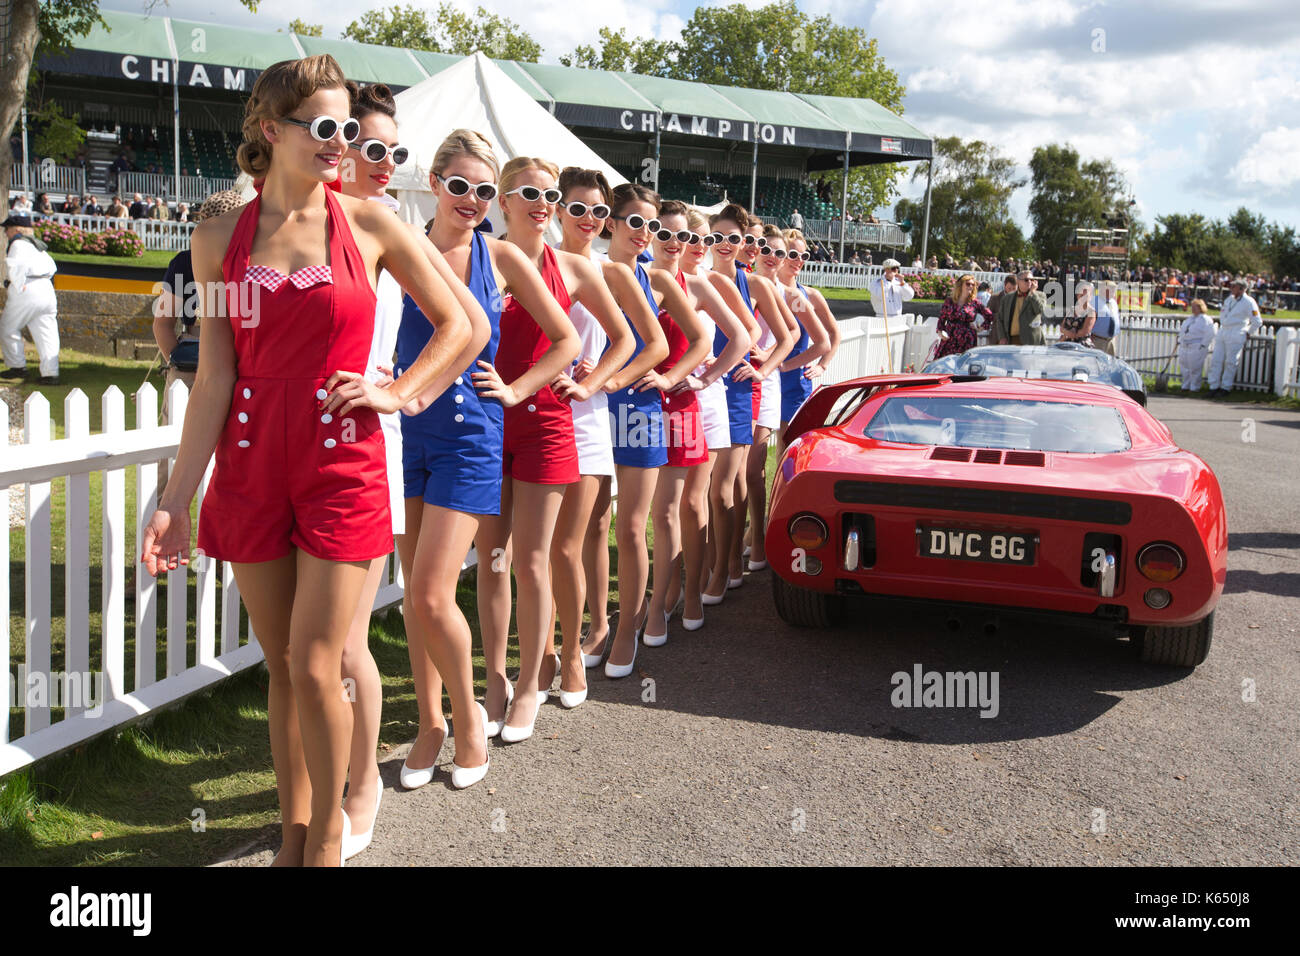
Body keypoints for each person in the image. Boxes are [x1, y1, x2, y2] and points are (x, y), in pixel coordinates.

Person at [140, 54, 474, 867]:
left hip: (341, 463)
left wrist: (398, 393)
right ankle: (293, 836)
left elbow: (461, 327)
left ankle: (326, 840)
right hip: (251, 462)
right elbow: (215, 377)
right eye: (324, 126)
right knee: (284, 664)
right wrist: (175, 499)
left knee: (322, 663)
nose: (341, 143)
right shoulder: (217, 237)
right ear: (271, 129)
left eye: (347, 128)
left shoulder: (372, 224)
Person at [470, 155, 586, 742]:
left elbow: (624, 338)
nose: (544, 204)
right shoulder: (478, 255)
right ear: (504, 200)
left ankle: (532, 684)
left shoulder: (570, 266)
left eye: (551, 195)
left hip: (544, 424)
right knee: (492, 558)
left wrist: (595, 380)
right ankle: (494, 682)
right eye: (531, 194)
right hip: (488, 423)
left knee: (533, 559)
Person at [542, 166, 642, 703]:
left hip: (583, 417)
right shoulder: (528, 258)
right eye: (578, 208)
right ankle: (544, 655)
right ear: (558, 208)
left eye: (599, 211)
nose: (589, 218)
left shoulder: (609, 271)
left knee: (573, 541)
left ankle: (580, 644)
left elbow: (647, 342)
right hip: (530, 414)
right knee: (531, 549)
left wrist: (601, 379)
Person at [635, 200, 712, 649]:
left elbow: (736, 336)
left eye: (683, 235)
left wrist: (691, 377)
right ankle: (660, 597)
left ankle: (676, 598)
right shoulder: (635, 277)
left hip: (679, 406)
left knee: (670, 510)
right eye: (664, 234)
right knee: (646, 514)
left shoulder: (694, 284)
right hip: (638, 405)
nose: (674, 243)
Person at [0, 213, 60, 384]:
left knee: (8, 327)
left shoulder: (18, 244)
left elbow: (15, 267)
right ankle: (50, 373)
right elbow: (52, 267)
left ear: (17, 230)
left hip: (27, 288)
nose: (6, 233)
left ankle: (17, 366)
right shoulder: (37, 246)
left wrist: (17, 285)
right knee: (46, 333)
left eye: (7, 229)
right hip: (46, 289)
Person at [1206, 278, 1262, 397]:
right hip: (1224, 330)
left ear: (1241, 289)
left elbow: (1257, 321)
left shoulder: (1249, 302)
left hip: (1237, 330)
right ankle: (1213, 386)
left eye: (1234, 286)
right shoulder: (1229, 300)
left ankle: (1225, 387)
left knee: (1231, 361)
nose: (1231, 288)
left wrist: (1248, 332)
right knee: (1216, 359)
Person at [934, 274, 993, 359]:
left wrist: (981, 328)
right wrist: (940, 332)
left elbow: (990, 316)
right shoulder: (949, 301)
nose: (971, 286)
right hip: (950, 338)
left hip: (967, 340)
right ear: (960, 285)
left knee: (964, 364)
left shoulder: (975, 303)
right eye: (968, 284)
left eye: (973, 285)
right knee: (946, 363)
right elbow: (941, 320)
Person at [994, 269, 1047, 345]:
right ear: (1018, 281)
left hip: (1031, 340)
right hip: (1011, 340)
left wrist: (1032, 293)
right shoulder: (1007, 298)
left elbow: (1039, 310)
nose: (1029, 282)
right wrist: (1002, 337)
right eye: (1026, 280)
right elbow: (1000, 319)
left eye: (1032, 280)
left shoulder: (1040, 295)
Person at [1178, 299, 1216, 393]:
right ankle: (1185, 386)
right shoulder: (1189, 319)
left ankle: (1194, 387)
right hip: (1185, 345)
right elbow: (1183, 331)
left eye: (1195, 307)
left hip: (1197, 345)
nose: (1193, 309)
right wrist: (1180, 340)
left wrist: (1203, 345)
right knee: (1185, 367)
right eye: (1192, 307)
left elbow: (1210, 332)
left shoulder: (1206, 319)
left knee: (1195, 368)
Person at [869, 257, 915, 321]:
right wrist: (888, 281)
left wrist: (903, 283)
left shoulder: (899, 282)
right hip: (882, 317)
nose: (896, 270)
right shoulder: (876, 282)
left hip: (897, 317)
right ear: (886, 269)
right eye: (893, 268)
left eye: (897, 268)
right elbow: (879, 295)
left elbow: (909, 297)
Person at [1059, 280, 1096, 345]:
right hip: (1065, 343)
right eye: (1080, 292)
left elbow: (1083, 332)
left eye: (1086, 291)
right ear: (1077, 295)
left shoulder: (1091, 312)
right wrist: (1067, 334)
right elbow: (1062, 327)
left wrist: (1067, 333)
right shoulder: (1072, 309)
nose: (1083, 294)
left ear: (1090, 296)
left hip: (1081, 346)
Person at [1091, 279, 1121, 355]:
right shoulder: (1094, 301)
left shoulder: (1113, 302)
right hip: (1098, 340)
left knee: (1111, 361)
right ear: (1103, 289)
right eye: (1112, 289)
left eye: (1114, 289)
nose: (1114, 292)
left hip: (1111, 340)